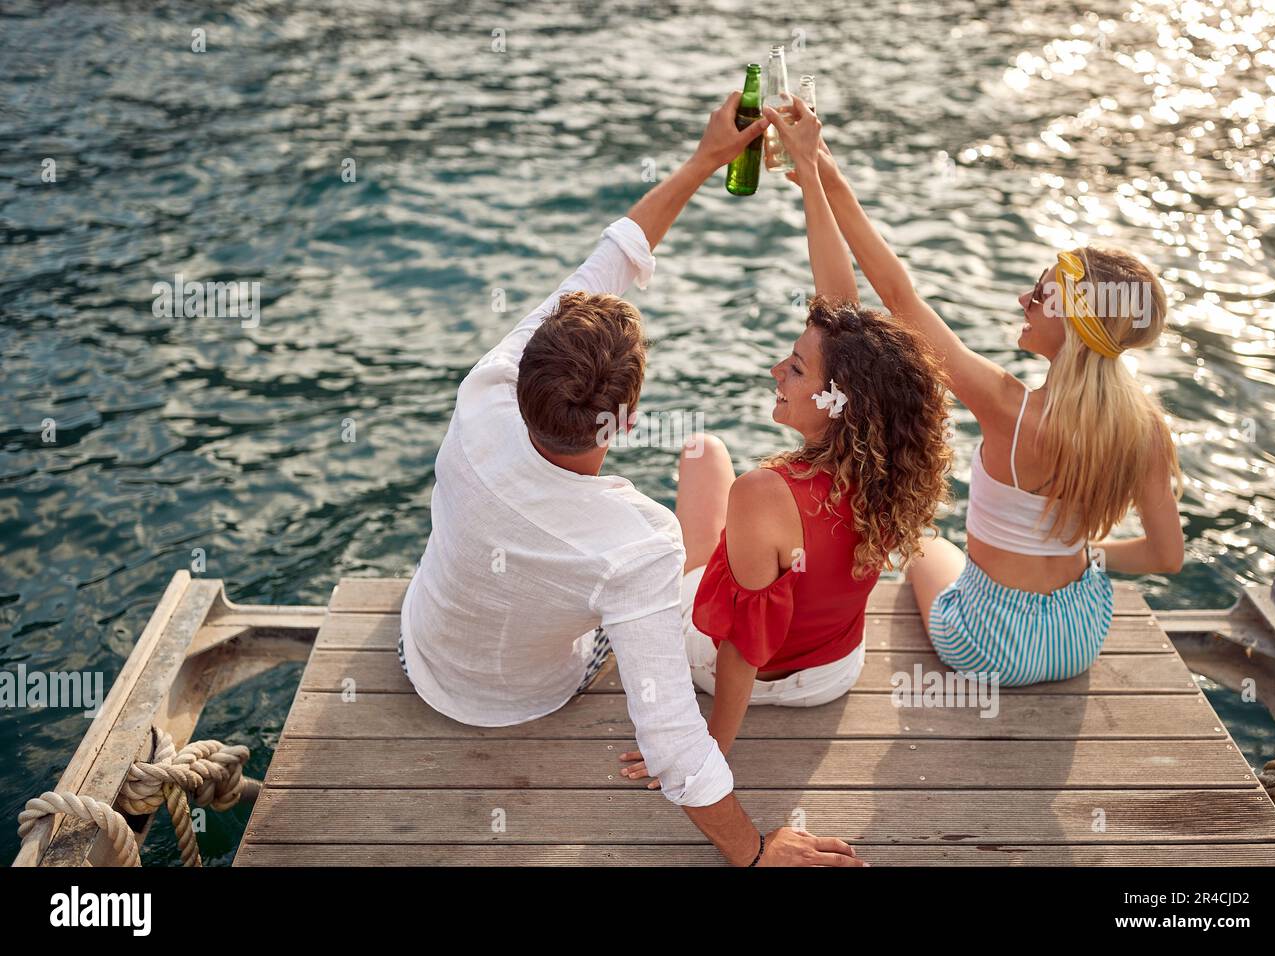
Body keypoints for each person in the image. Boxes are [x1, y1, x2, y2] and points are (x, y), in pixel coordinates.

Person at [399, 91, 861, 866]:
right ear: (629, 419)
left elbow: (604, 260)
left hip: (422, 657)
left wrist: (703, 159)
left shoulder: (484, 389)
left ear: (526, 376)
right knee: (657, 586)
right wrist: (753, 853)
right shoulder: (637, 541)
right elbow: (675, 744)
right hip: (531, 697)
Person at [770, 97, 1185, 686]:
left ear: (1073, 320)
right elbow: (1167, 557)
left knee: (922, 551)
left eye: (1041, 293)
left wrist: (823, 176)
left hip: (988, 645)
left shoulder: (1007, 406)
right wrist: (1090, 556)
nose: (1025, 299)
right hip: (1080, 634)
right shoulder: (1145, 427)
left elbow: (899, 298)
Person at [619, 94, 953, 788]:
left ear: (835, 400)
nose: (777, 369)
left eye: (794, 367)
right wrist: (808, 166)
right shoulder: (888, 447)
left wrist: (707, 750)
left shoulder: (767, 492)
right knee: (706, 454)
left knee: (699, 465)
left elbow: (743, 646)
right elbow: (841, 313)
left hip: (743, 676)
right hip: (831, 672)